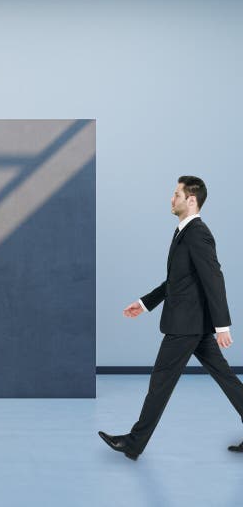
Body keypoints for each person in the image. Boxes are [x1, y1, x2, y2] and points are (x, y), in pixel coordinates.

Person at [98, 175, 243, 460]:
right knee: (225, 377)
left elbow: (214, 278)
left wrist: (223, 325)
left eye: (176, 194)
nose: (171, 198)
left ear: (191, 200)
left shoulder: (197, 233)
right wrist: (145, 303)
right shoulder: (183, 232)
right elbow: (178, 281)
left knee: (160, 382)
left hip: (185, 325)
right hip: (193, 324)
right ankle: (135, 442)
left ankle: (134, 443)